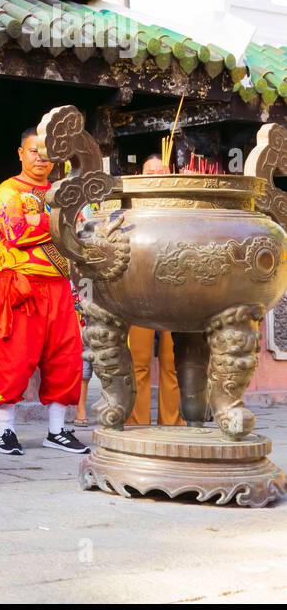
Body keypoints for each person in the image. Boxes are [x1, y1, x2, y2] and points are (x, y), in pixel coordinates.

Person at [0, 128, 89, 455]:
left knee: (66, 355)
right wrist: (57, 224)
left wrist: (40, 220)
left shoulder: (63, 192)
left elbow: (81, 231)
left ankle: (57, 430)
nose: (40, 158)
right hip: (21, 283)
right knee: (14, 356)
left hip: (59, 284)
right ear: (21, 153)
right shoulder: (8, 190)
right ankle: (5, 431)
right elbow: (14, 231)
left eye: (46, 153)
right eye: (33, 151)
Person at [126, 153, 181, 426]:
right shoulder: (131, 209)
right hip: (141, 292)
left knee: (173, 362)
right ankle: (138, 419)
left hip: (175, 292)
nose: (156, 175)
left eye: (161, 170)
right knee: (139, 360)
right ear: (140, 176)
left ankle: (172, 420)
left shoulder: (181, 208)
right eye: (150, 172)